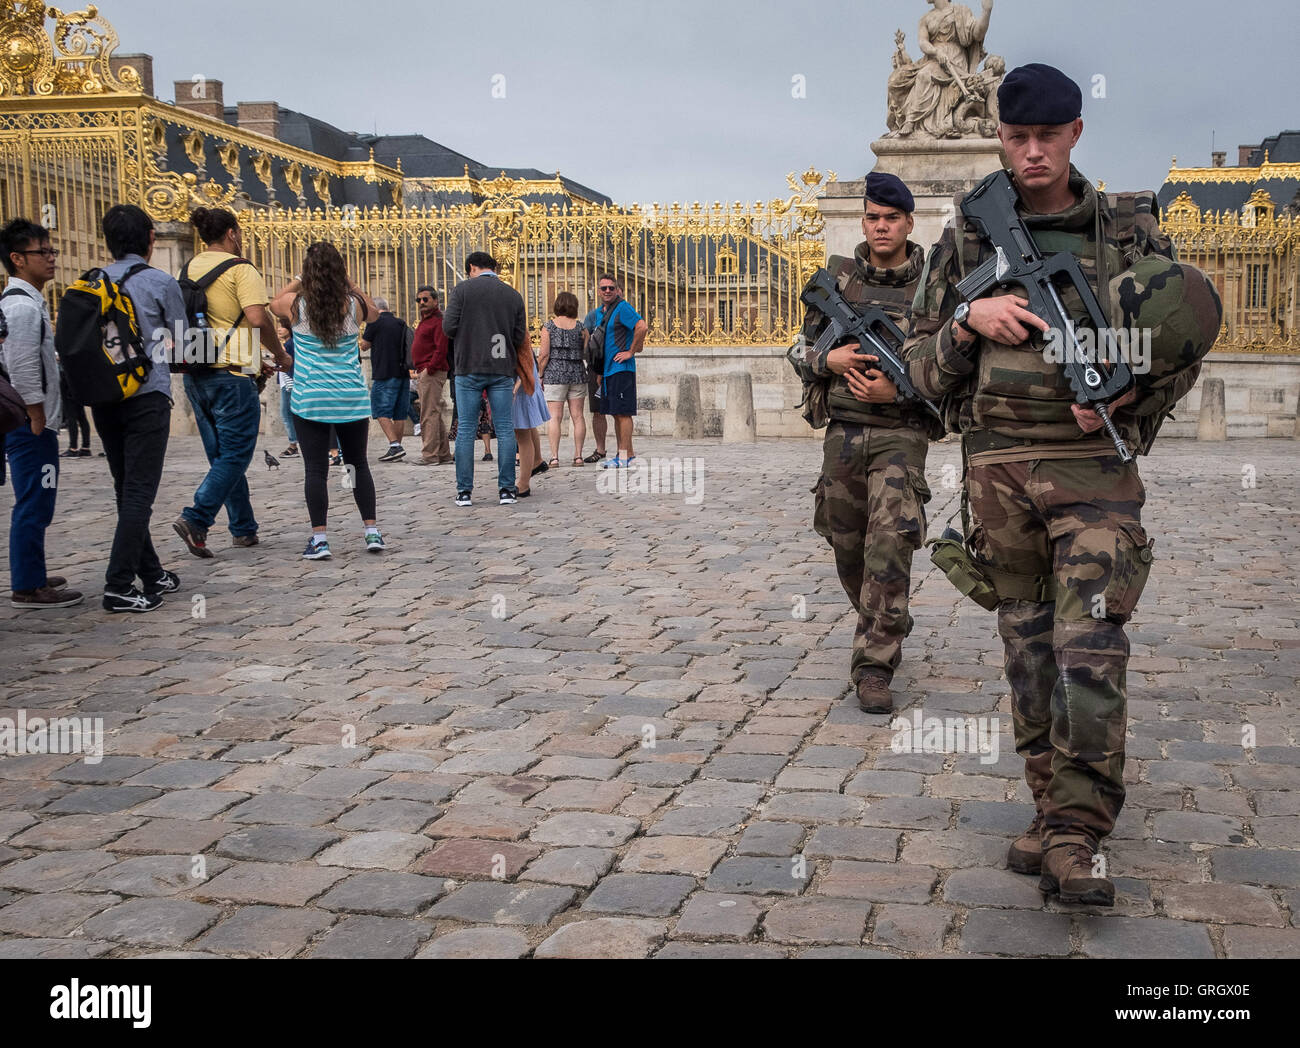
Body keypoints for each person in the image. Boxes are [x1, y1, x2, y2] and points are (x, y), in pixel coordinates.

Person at [904, 63, 1200, 907]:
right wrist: (969, 319)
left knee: (1090, 652)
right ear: (1000, 136)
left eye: (1048, 136)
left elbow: (1183, 340)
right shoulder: (966, 237)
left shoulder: (1129, 232)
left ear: (1076, 133)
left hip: (1095, 473)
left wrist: (1131, 393)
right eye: (1017, 137)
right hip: (998, 478)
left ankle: (1079, 834)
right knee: (1030, 657)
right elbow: (919, 375)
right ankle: (1049, 808)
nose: (1032, 153)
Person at [789, 173, 943, 715]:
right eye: (874, 218)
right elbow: (799, 349)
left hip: (901, 433)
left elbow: (951, 365)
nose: (882, 227)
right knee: (847, 542)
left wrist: (897, 389)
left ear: (908, 223)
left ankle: (875, 662)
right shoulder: (839, 280)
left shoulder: (933, 286)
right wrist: (825, 360)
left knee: (891, 539)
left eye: (892, 218)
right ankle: (884, 614)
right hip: (843, 433)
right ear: (864, 222)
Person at [86, 205, 189, 612]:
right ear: (150, 240)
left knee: (126, 488)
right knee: (139, 492)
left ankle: (151, 573)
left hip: (104, 395)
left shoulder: (91, 282)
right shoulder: (160, 282)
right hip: (146, 395)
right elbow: (182, 340)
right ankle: (118, 585)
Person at [172, 207, 290, 558]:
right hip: (232, 374)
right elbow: (257, 318)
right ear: (233, 234)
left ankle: (243, 529)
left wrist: (258, 362)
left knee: (222, 457)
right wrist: (281, 355)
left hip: (198, 370)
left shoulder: (189, 267)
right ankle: (197, 517)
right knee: (236, 454)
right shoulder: (241, 268)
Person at [269, 242, 384, 559]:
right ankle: (371, 532)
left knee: (315, 470)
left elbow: (273, 302)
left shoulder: (297, 306)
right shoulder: (352, 305)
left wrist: (299, 278)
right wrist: (351, 283)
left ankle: (320, 539)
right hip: (350, 396)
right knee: (357, 464)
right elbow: (374, 313)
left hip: (312, 398)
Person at [0, 218, 82, 608]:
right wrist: (35, 413)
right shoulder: (20, 308)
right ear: (17, 259)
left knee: (38, 498)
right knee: (35, 499)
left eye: (51, 251)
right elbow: (22, 367)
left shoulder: (28, 302)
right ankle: (28, 585)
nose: (51, 259)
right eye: (41, 253)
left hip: (36, 418)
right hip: (31, 422)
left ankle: (30, 569)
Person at [441, 251, 527, 506]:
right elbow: (519, 334)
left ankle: (464, 492)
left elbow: (448, 328)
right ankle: (506, 490)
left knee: (466, 429)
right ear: (494, 268)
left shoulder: (462, 291)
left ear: (471, 267)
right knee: (504, 427)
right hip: (501, 368)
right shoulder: (512, 294)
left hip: (468, 366)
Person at [583, 274, 646, 469]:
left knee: (623, 413)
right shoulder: (605, 312)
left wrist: (630, 352)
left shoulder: (622, 307)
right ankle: (627, 453)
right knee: (616, 414)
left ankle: (624, 456)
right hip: (609, 370)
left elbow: (642, 327)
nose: (607, 291)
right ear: (599, 291)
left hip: (621, 368)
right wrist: (601, 372)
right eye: (604, 288)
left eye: (611, 288)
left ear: (617, 290)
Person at [540, 291, 588, 466]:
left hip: (555, 373)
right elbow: (586, 351)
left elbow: (544, 355)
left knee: (555, 417)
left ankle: (554, 457)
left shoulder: (548, 326)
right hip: (577, 372)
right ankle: (578, 456)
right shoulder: (581, 327)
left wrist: (540, 374)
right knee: (578, 416)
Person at [360, 296, 411, 462]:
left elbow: (364, 345)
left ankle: (395, 445)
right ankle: (396, 449)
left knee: (380, 410)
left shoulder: (374, 322)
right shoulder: (400, 322)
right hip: (403, 372)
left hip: (384, 373)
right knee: (399, 413)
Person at [409, 285, 452, 465]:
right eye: (419, 300)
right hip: (426, 371)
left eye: (425, 299)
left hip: (432, 371)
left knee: (427, 414)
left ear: (436, 300)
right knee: (433, 412)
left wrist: (429, 370)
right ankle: (443, 454)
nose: (421, 303)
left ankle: (430, 455)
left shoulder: (438, 321)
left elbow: (441, 349)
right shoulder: (425, 321)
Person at [512, 338, 550, 497]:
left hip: (522, 373)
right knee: (526, 424)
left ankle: (523, 484)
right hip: (526, 370)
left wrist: (517, 383)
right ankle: (537, 461)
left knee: (521, 430)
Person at [58, 362, 94, 457]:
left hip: (66, 376)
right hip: (79, 377)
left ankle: (73, 448)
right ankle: (86, 447)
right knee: (81, 415)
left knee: (71, 415)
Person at [275, 317, 298, 457]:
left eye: (282, 327)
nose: (278, 329)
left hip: (290, 382)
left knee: (286, 414)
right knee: (287, 414)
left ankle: (293, 445)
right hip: (286, 382)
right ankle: (293, 443)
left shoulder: (290, 344)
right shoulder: (287, 343)